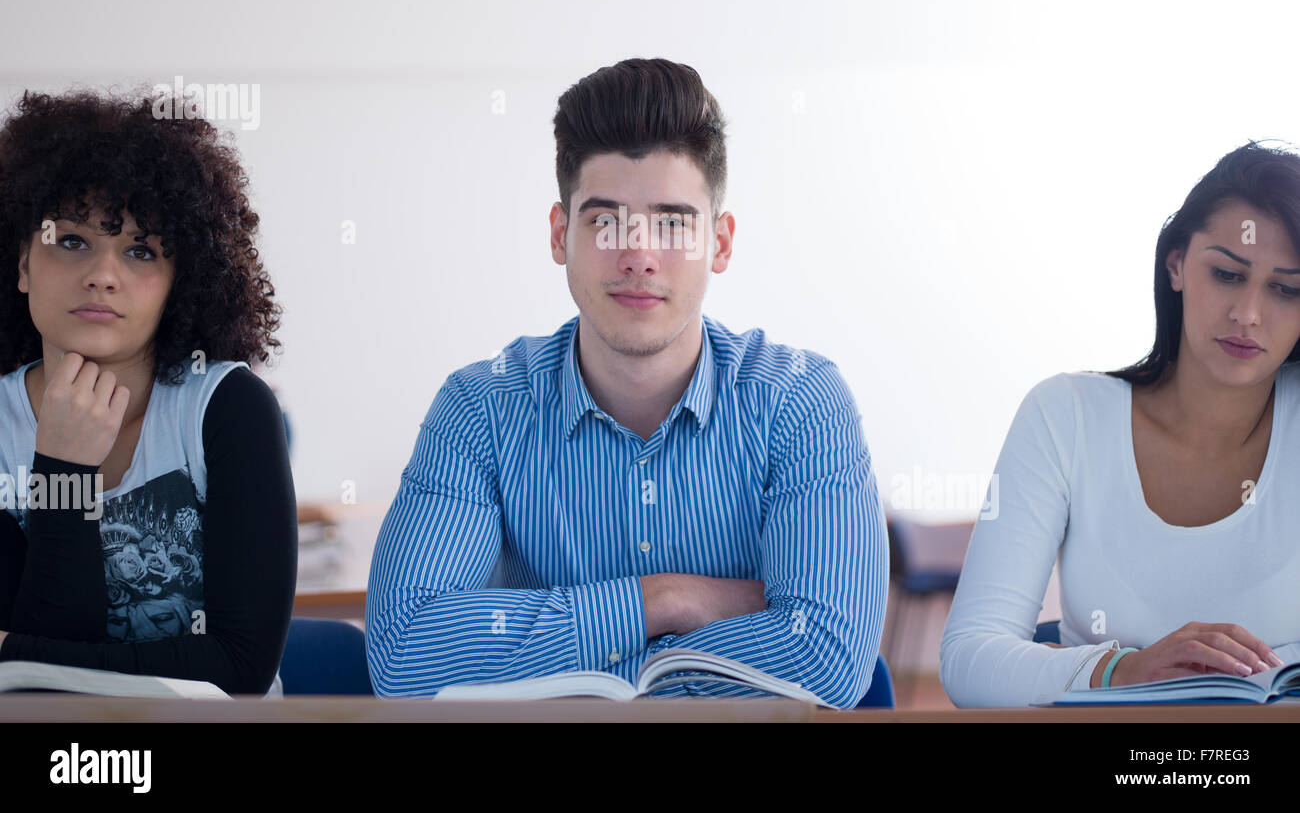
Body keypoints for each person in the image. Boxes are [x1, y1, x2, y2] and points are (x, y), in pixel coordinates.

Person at [366, 57, 888, 707]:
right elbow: (406, 653)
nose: (639, 253)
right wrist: (666, 599)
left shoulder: (800, 402)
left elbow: (828, 656)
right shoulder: (481, 410)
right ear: (562, 235)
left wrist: (575, 666)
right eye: (605, 220)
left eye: (672, 221)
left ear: (719, 243)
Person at [940, 142, 1300, 707]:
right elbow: (968, 660)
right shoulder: (1066, 416)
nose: (1248, 314)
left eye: (1286, 288)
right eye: (1228, 274)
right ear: (1176, 264)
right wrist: (1120, 670)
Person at [0, 88, 296, 696]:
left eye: (141, 251)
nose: (102, 275)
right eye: (72, 240)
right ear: (22, 263)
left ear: (179, 282)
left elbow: (241, 668)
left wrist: (22, 655)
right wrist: (63, 466)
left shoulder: (228, 409)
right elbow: (32, 691)